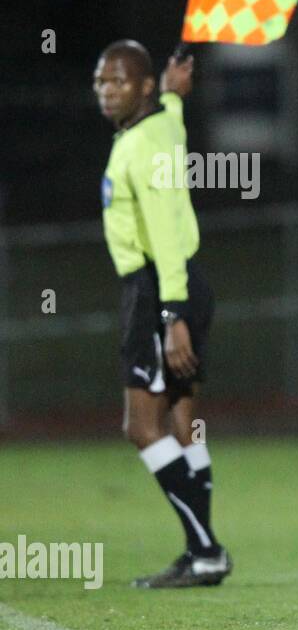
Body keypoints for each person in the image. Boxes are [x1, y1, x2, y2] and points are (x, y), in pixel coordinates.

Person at [93, 40, 229, 588]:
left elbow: (166, 237)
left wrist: (171, 314)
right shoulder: (162, 127)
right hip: (182, 285)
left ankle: (205, 549)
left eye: (119, 81)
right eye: (101, 82)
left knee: (143, 428)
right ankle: (202, 553)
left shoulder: (142, 147)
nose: (107, 92)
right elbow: (172, 123)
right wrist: (175, 96)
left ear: (144, 86)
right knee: (184, 427)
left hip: (158, 290)